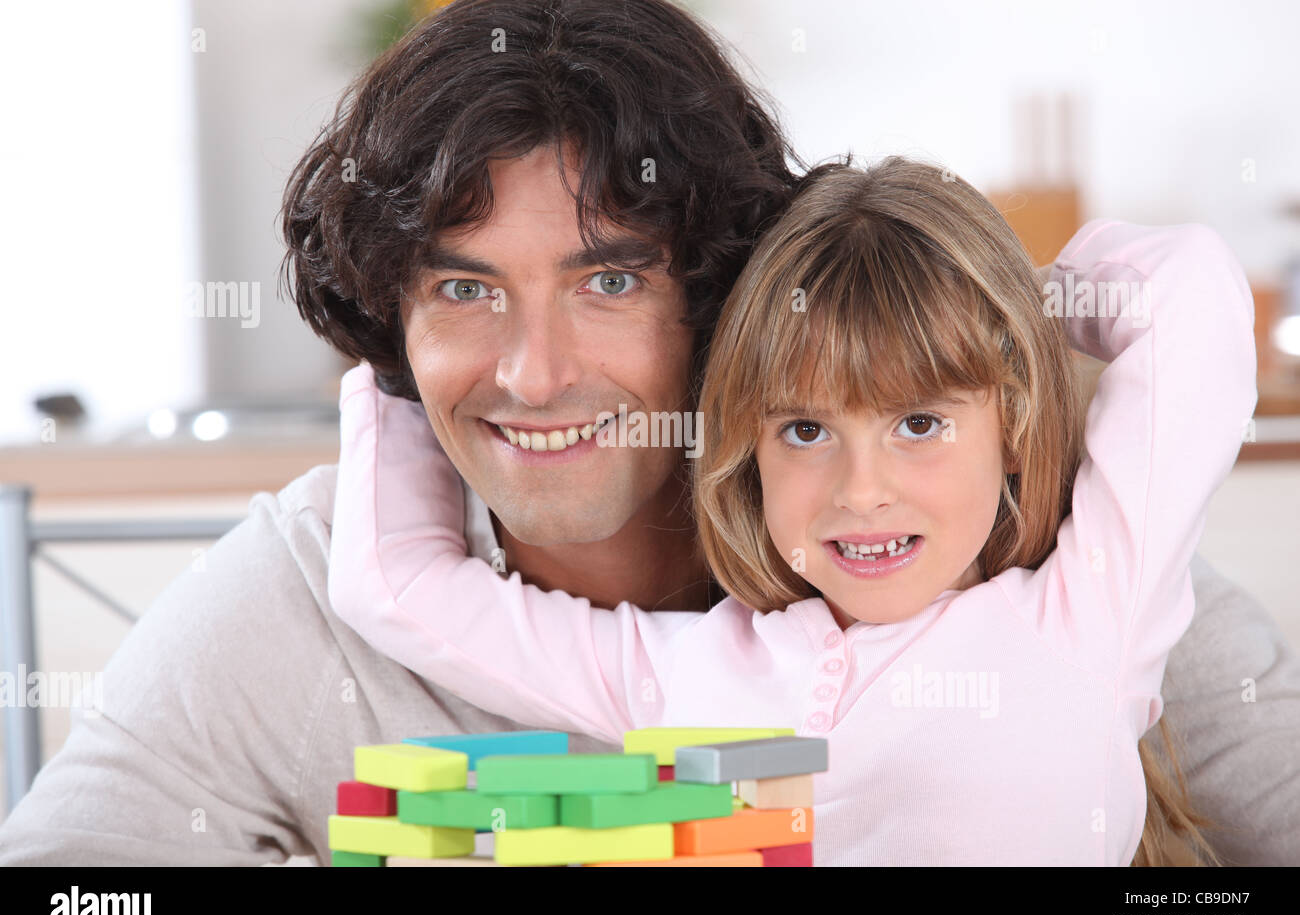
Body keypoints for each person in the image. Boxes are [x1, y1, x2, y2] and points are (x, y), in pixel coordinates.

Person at [1, 0, 1296, 866]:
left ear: (725, 284)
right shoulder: (290, 606)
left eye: (610, 280)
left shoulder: (994, 540)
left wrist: (983, 308)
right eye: (461, 289)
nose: (535, 370)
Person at [325, 156, 1257, 865]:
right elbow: (396, 587)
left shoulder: (1090, 613)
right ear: (749, 450)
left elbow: (1191, 294)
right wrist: (395, 358)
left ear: (1011, 424)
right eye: (805, 432)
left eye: (921, 420)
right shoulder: (678, 672)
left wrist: (980, 304)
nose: (861, 491)